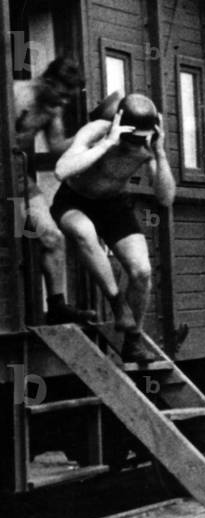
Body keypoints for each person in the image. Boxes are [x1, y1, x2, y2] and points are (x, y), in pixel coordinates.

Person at [53, 93, 175, 363]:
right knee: (84, 232)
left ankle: (133, 341)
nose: (135, 146)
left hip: (113, 205)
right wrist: (107, 144)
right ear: (118, 123)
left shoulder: (148, 146)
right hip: (75, 201)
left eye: (140, 139)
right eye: (131, 139)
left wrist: (160, 154)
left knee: (142, 271)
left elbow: (165, 198)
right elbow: (61, 170)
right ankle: (118, 304)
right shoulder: (96, 132)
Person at [12, 56, 96, 325]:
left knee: (52, 237)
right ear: (48, 81)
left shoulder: (52, 108)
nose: (63, 103)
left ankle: (57, 306)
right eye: (61, 95)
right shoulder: (16, 94)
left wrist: (94, 135)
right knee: (11, 242)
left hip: (17, 176)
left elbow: (58, 146)